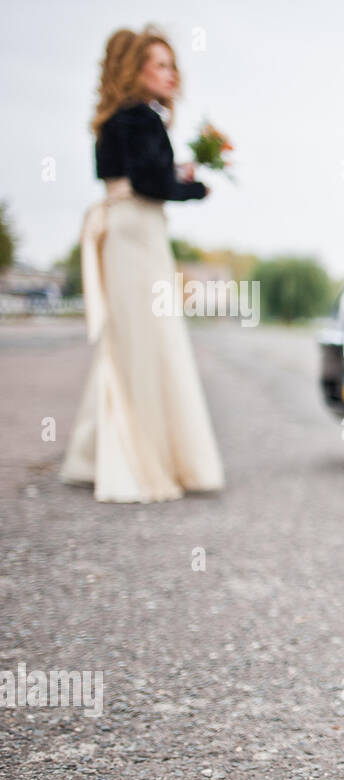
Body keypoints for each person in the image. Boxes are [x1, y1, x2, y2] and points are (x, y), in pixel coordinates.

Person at [60, 25, 224, 503]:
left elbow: (134, 176)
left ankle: (95, 455)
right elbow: (151, 184)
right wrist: (195, 187)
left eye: (173, 65)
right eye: (160, 65)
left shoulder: (113, 118)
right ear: (136, 70)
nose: (171, 74)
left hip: (118, 229)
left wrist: (175, 174)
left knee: (125, 339)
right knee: (152, 340)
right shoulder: (142, 117)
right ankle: (139, 458)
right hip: (138, 233)